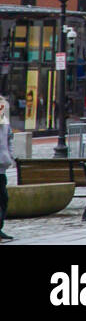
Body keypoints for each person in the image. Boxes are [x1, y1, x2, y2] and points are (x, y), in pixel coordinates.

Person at [0, 99, 14, 242]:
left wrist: (10, 156)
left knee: (3, 199)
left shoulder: (5, 124)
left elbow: (10, 139)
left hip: (2, 169)